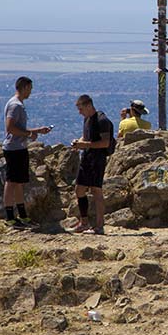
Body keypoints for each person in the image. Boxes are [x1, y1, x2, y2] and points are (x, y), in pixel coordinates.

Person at [3, 76, 52, 228]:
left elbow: (19, 128)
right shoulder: (15, 105)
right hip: (14, 149)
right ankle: (10, 218)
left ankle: (23, 216)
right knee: (11, 182)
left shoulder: (18, 105)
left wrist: (36, 131)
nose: (31, 92)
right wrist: (29, 135)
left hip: (19, 147)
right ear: (24, 87)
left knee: (19, 183)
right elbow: (10, 128)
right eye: (30, 88)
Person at [71, 95, 114, 234]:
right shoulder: (87, 119)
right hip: (87, 158)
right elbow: (87, 136)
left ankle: (99, 226)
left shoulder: (102, 121)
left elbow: (105, 142)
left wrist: (84, 144)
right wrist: (79, 142)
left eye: (81, 108)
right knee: (79, 189)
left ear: (89, 105)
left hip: (98, 159)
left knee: (96, 191)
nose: (80, 112)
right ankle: (84, 222)